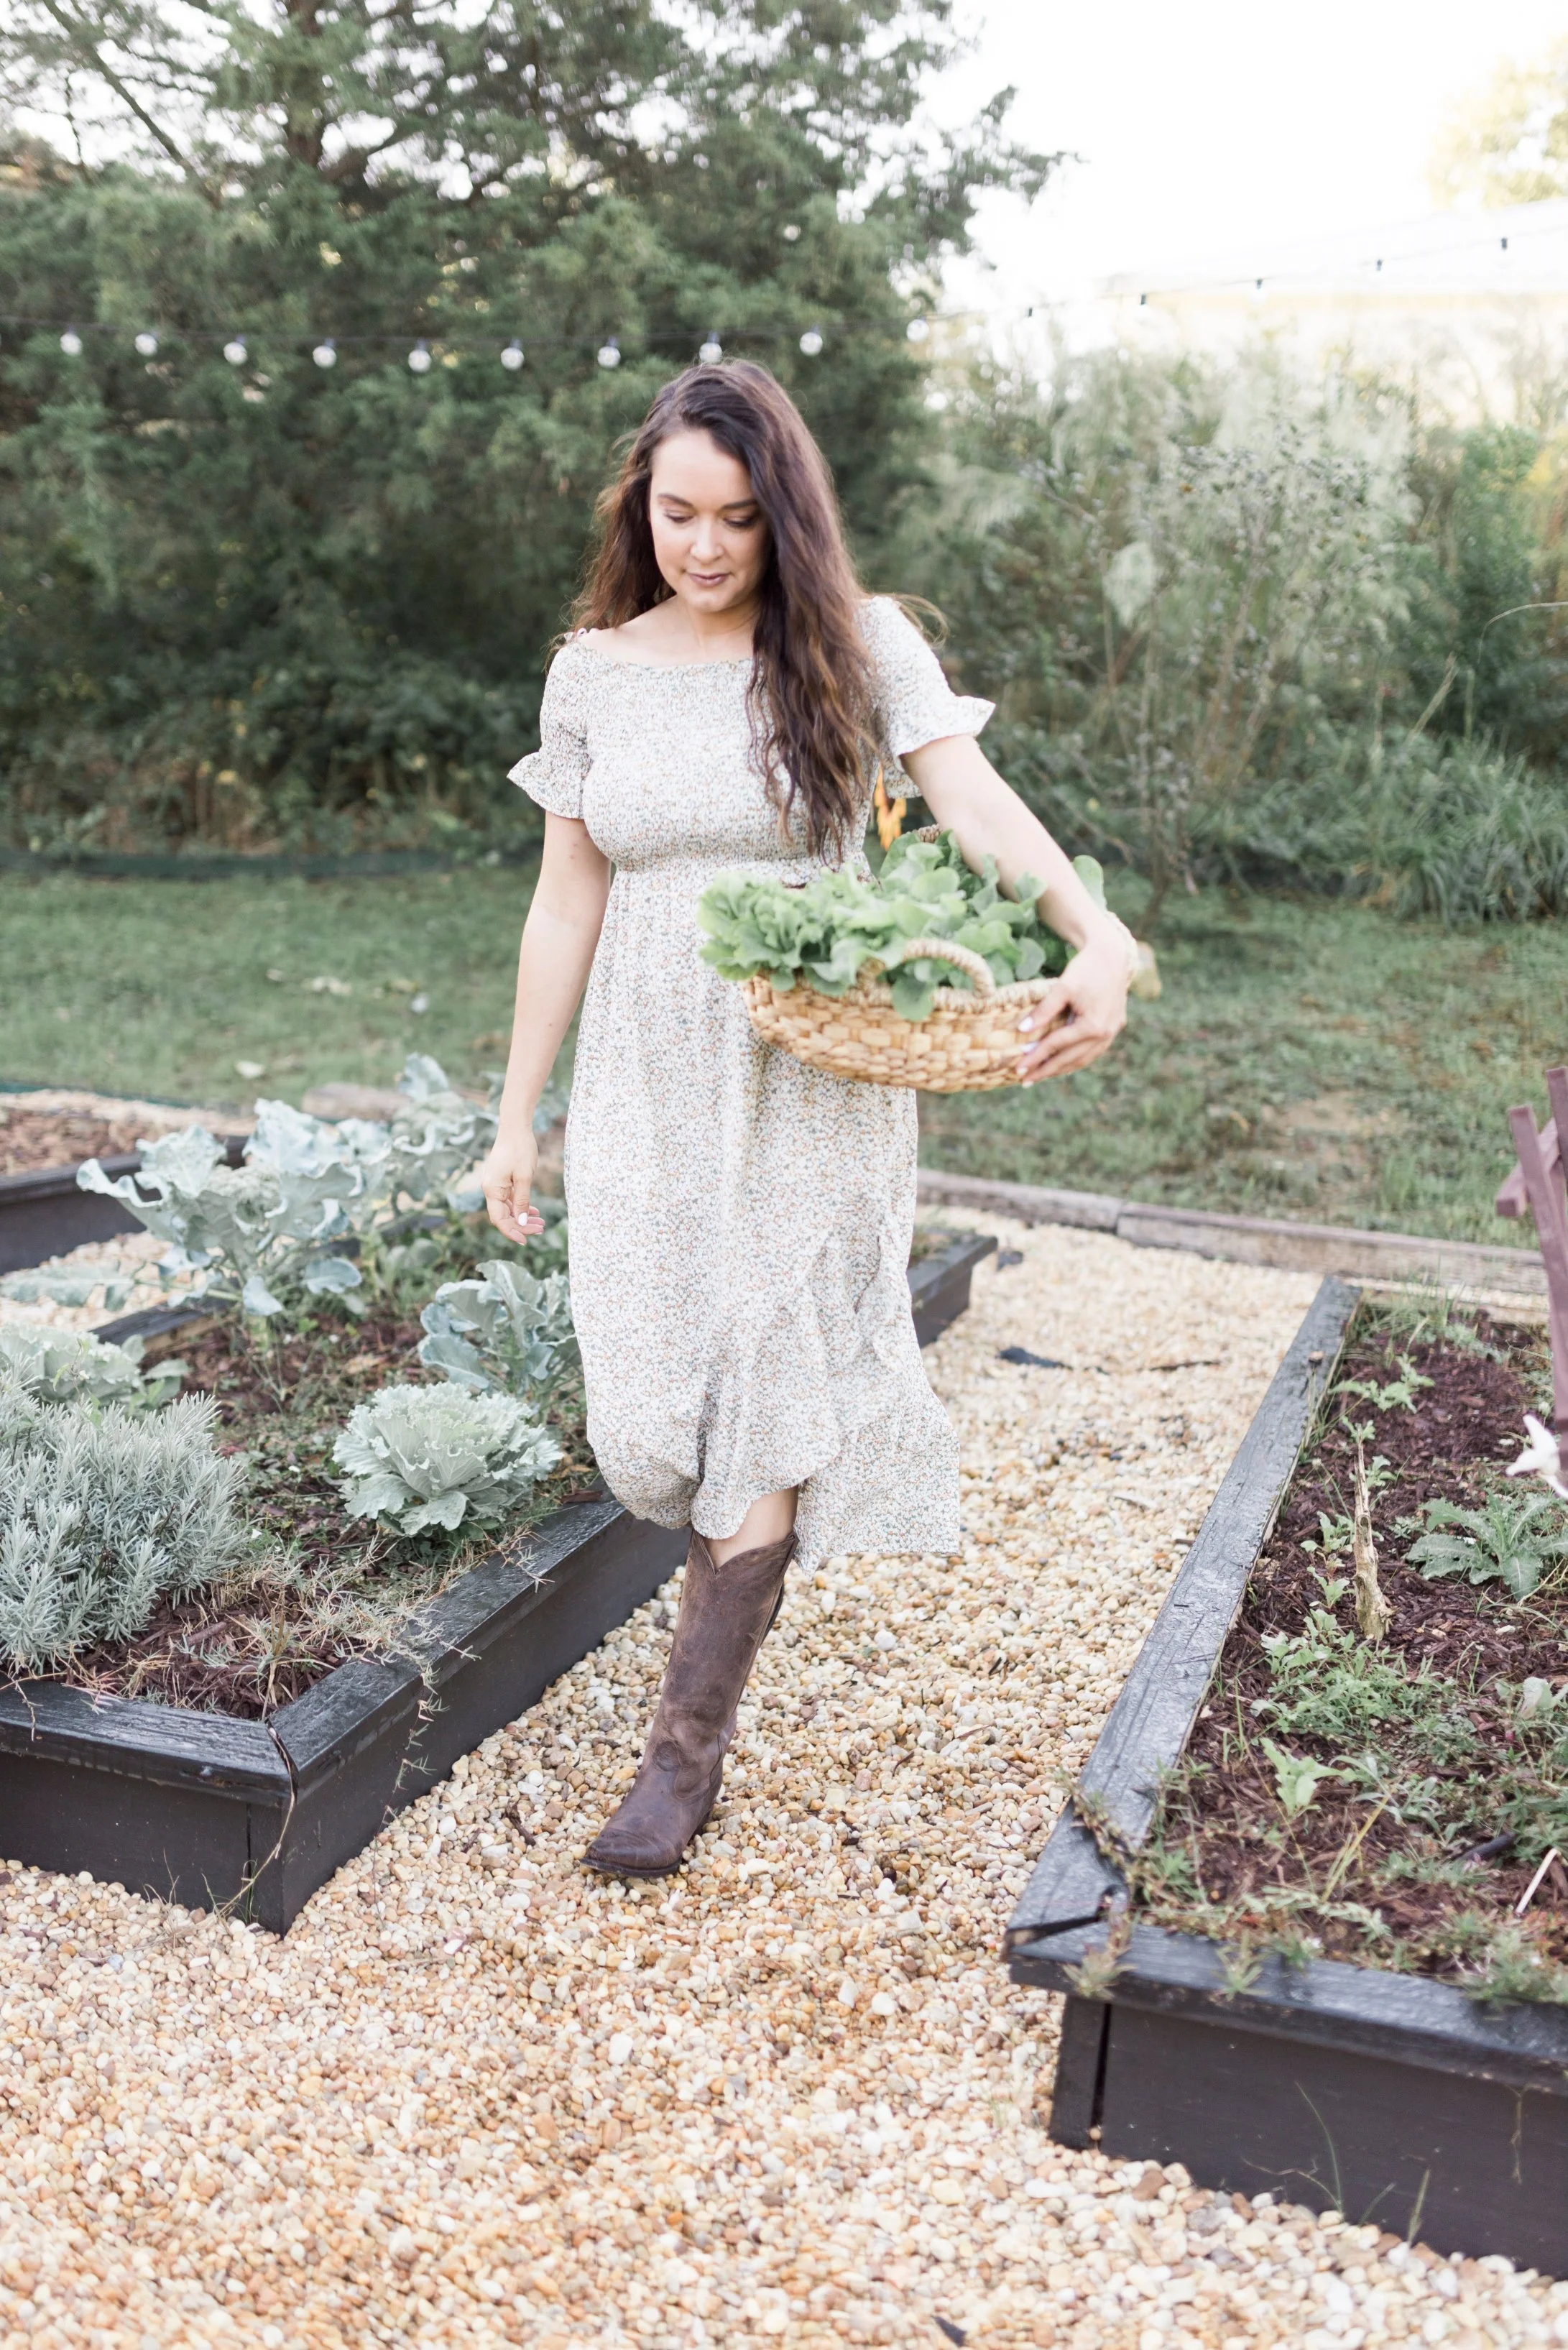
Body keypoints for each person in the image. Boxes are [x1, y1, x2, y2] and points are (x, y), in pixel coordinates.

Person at [479, 360, 1134, 1877]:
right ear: (638, 505)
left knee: (762, 1379)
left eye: (735, 520)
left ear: (783, 517)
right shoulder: (592, 671)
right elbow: (564, 892)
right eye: (675, 514)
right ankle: (694, 1683)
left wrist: (1097, 938)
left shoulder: (852, 644)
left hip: (808, 1066)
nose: (703, 548)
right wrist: (516, 1111)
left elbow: (971, 804)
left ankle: (677, 1764)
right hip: (645, 1067)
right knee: (649, 1411)